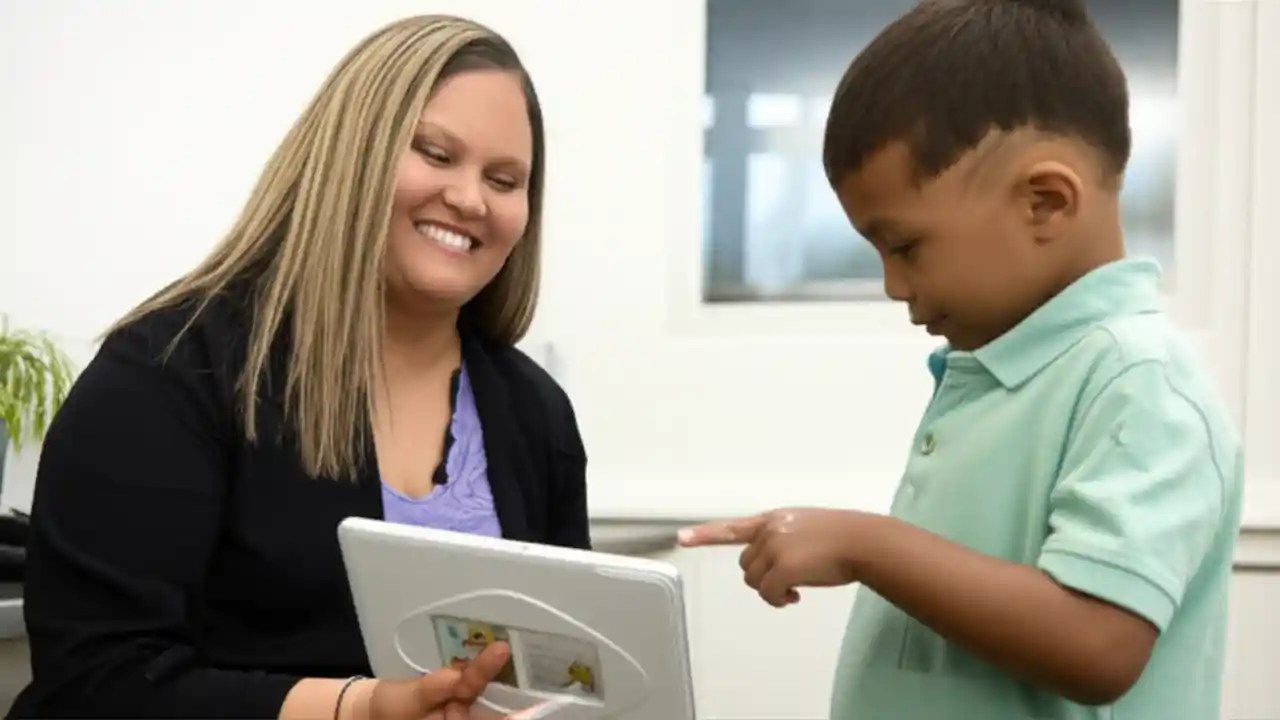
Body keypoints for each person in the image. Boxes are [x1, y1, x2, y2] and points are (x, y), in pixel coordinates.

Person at [9, 14, 589, 720]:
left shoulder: (537, 416)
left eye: (504, 179)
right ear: (352, 155)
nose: (470, 199)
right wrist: (361, 709)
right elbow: (97, 683)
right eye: (435, 155)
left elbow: (569, 679)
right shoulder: (170, 370)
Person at [679, 1, 1243, 718]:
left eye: (905, 247)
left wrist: (866, 546)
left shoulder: (1141, 382)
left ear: (1044, 202)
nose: (891, 286)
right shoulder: (1006, 374)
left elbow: (1099, 645)